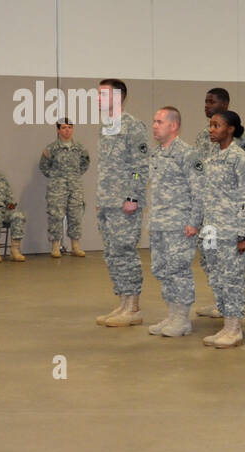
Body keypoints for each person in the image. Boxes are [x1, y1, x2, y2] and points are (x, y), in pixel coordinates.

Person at [196, 110, 245, 348]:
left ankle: (234, 329)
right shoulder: (212, 157)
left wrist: (243, 233)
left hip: (231, 230)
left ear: (230, 129)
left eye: (217, 125)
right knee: (216, 274)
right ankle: (225, 323)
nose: (212, 130)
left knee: (232, 279)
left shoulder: (239, 159)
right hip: (211, 230)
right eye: (211, 125)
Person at [94, 79, 150, 328]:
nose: (97, 98)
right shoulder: (106, 126)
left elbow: (140, 167)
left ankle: (134, 307)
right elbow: (106, 167)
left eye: (102, 94)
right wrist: (101, 198)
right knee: (112, 254)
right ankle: (123, 302)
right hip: (108, 202)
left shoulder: (133, 126)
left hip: (124, 202)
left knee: (125, 252)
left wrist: (133, 196)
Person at [146, 106, 201, 338]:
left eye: (160, 122)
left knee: (179, 270)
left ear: (174, 126)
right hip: (159, 223)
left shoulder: (187, 154)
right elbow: (142, 177)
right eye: (154, 121)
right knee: (163, 269)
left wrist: (195, 221)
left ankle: (182, 318)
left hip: (180, 224)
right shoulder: (156, 154)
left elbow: (199, 190)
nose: (155, 126)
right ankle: (172, 313)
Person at [39, 117, 89, 257]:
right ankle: (55, 246)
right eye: (64, 128)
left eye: (70, 127)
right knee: (55, 216)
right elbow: (43, 166)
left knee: (75, 215)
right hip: (57, 188)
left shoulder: (79, 148)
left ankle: (75, 246)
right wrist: (56, 177)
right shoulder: (51, 148)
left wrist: (73, 176)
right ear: (58, 130)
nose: (67, 130)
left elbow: (85, 164)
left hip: (75, 187)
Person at [194, 87, 245, 155]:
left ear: (225, 104)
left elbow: (244, 159)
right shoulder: (203, 133)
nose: (207, 106)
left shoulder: (237, 131)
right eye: (206, 102)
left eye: (212, 102)